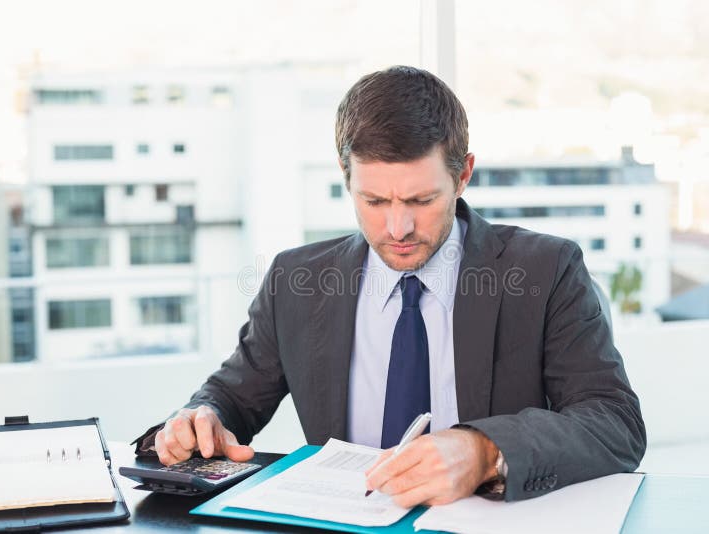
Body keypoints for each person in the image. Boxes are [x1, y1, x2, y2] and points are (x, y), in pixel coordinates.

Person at [134, 65, 646, 505]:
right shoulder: (297, 280)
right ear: (345, 175)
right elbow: (232, 399)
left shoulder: (546, 270)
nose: (397, 229)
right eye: (374, 201)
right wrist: (200, 418)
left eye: (421, 200)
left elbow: (615, 423)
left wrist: (486, 451)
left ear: (463, 174)